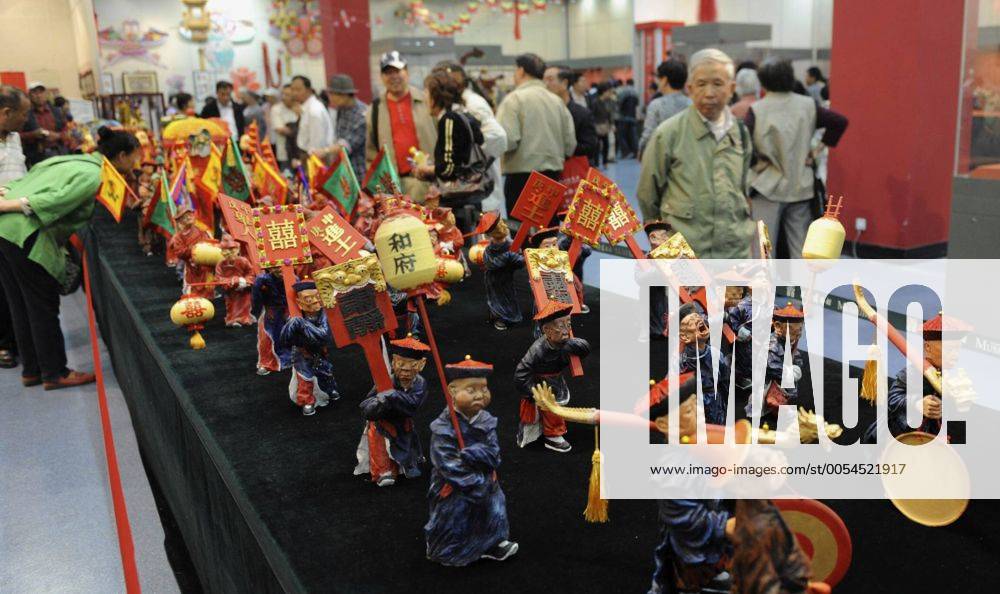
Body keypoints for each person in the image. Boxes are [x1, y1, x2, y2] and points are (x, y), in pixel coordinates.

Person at [0, 126, 140, 390]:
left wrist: (7, 194)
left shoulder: (74, 159)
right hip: (24, 232)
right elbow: (56, 200)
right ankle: (54, 373)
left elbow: (32, 176)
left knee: (19, 303)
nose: (136, 163)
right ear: (121, 156)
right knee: (42, 304)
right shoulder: (94, 174)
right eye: (135, 157)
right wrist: (9, 204)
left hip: (4, 231)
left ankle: (32, 369)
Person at [637, 48, 755, 259]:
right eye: (701, 84)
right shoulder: (668, 134)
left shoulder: (741, 134)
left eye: (718, 84)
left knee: (732, 294)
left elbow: (742, 188)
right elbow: (648, 194)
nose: (709, 92)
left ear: (732, 88)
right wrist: (659, 238)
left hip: (734, 253)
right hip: (685, 256)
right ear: (690, 88)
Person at [746, 58, 849, 258]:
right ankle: (803, 289)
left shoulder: (757, 110)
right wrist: (817, 150)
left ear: (763, 81)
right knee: (801, 249)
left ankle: (764, 289)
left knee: (763, 250)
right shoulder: (808, 105)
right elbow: (839, 121)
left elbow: (744, 145)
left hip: (767, 186)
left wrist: (756, 164)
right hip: (801, 185)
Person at [424, 355, 517, 566]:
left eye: (483, 389)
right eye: (471, 390)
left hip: (487, 481)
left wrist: (475, 454)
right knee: (455, 518)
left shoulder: (486, 421)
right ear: (452, 391)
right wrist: (474, 483)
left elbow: (494, 454)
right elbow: (447, 463)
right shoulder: (442, 428)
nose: (479, 395)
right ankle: (450, 550)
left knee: (494, 511)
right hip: (457, 485)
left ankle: (494, 543)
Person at [862, 313, 971, 444]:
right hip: (903, 433)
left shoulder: (948, 375)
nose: (955, 355)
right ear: (928, 347)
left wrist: (958, 401)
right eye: (950, 349)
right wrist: (918, 403)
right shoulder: (912, 373)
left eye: (957, 350)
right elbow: (892, 399)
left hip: (932, 433)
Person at [496, 53, 576, 214]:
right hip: (552, 177)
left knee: (522, 234)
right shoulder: (557, 101)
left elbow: (508, 140)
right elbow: (570, 144)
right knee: (548, 232)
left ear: (521, 71)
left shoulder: (514, 99)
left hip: (521, 178)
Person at [431, 61, 507, 216]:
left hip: (478, 191)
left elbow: (498, 138)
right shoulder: (452, 108)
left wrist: (471, 167)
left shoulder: (472, 104)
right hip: (466, 192)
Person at [514, 301, 591, 453]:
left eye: (568, 324)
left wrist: (579, 345)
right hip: (540, 384)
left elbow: (584, 349)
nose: (566, 330)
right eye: (561, 326)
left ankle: (551, 431)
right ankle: (553, 436)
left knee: (555, 407)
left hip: (556, 381)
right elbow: (521, 373)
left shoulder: (567, 343)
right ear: (547, 330)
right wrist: (533, 392)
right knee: (549, 409)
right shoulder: (538, 350)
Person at [354, 335, 431, 487]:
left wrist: (393, 396)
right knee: (380, 445)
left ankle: (409, 464)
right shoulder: (386, 381)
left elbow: (413, 405)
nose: (406, 369)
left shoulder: (420, 384)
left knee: (407, 443)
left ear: (421, 365)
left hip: (402, 421)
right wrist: (379, 403)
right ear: (393, 362)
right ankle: (383, 472)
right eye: (401, 364)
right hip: (383, 423)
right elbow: (365, 405)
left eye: (412, 365)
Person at [414, 70, 488, 224]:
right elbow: (476, 144)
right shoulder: (464, 113)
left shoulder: (448, 120)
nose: (424, 98)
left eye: (426, 93)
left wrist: (425, 168)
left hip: (456, 201)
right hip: (472, 195)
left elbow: (447, 168)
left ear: (436, 95)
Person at [366, 51, 437, 203]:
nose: (393, 76)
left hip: (429, 182)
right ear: (382, 77)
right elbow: (371, 152)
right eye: (388, 72)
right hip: (395, 188)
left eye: (397, 71)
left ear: (407, 72)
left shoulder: (426, 100)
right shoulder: (375, 109)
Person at [0, 86, 30, 369]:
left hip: (17, 225)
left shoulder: (15, 138)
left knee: (15, 290)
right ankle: (3, 345)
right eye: (23, 113)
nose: (26, 119)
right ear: (7, 113)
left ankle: (20, 342)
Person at [279, 280, 339, 416]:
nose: (315, 301)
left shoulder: (322, 315)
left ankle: (330, 390)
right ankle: (307, 400)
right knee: (305, 376)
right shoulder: (295, 318)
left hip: (319, 350)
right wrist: (294, 325)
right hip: (302, 352)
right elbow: (284, 340)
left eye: (317, 297)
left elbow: (323, 335)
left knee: (325, 371)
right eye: (309, 299)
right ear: (300, 303)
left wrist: (304, 326)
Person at [477, 211, 524, 331]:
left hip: (507, 277)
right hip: (493, 278)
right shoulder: (489, 249)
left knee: (509, 295)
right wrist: (507, 257)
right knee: (496, 298)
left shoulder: (511, 245)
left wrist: (515, 258)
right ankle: (499, 318)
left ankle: (510, 316)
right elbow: (490, 263)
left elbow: (520, 261)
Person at [543, 66, 599, 166]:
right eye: (543, 80)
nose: (545, 84)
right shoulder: (543, 112)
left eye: (550, 79)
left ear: (564, 83)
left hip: (574, 173)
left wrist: (562, 148)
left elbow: (590, 147)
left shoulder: (582, 113)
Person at [639, 60, 692, 157]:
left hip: (663, 159)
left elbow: (648, 134)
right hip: (688, 158)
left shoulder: (656, 105)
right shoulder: (692, 104)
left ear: (664, 80)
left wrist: (641, 151)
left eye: (658, 78)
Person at [321, 74, 368, 181]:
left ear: (345, 95)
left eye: (333, 94)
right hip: (344, 172)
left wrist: (325, 151)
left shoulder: (362, 114)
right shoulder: (341, 109)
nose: (330, 98)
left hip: (359, 173)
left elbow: (346, 145)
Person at [20, 83, 67, 167]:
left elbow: (67, 130)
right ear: (29, 96)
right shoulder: (25, 114)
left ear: (46, 94)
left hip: (59, 152)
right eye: (35, 93)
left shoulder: (56, 111)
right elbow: (17, 135)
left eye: (41, 92)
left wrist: (58, 135)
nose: (39, 96)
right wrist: (33, 134)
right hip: (37, 156)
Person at [290, 75, 334, 160]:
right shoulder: (305, 108)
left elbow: (317, 145)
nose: (294, 93)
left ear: (309, 90)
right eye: (292, 89)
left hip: (313, 158)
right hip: (306, 154)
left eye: (298, 90)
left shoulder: (314, 110)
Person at [269, 84, 299, 171]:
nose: (284, 97)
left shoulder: (300, 108)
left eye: (287, 95)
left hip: (300, 153)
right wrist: (298, 130)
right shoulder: (276, 109)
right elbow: (280, 130)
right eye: (283, 94)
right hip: (284, 154)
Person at [616, 78, 640, 159]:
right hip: (633, 117)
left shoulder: (623, 92)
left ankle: (626, 152)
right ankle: (636, 152)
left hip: (623, 117)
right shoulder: (636, 92)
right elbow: (637, 104)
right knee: (633, 136)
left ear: (626, 83)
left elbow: (619, 103)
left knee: (622, 136)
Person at [592, 82, 614, 167]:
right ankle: (596, 164)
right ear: (604, 92)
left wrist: (611, 124)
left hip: (605, 127)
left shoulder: (607, 102)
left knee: (606, 145)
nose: (609, 94)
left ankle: (605, 162)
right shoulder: (595, 102)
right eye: (608, 91)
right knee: (597, 147)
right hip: (597, 127)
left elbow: (609, 115)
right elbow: (592, 115)